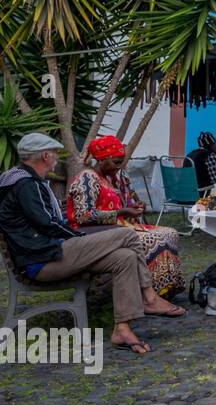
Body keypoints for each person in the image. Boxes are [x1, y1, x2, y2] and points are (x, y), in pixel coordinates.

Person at [0, 133, 184, 355]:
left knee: (124, 258)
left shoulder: (23, 180)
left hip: (49, 252)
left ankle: (122, 328)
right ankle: (149, 296)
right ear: (45, 155)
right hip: (43, 259)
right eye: (55, 153)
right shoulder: (26, 184)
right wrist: (81, 239)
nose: (57, 158)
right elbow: (48, 224)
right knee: (127, 236)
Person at [66, 135, 185, 299]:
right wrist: (122, 213)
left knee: (169, 233)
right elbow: (83, 216)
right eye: (116, 162)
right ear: (102, 159)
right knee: (153, 239)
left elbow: (117, 207)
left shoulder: (109, 178)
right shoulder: (87, 178)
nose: (119, 166)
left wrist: (131, 208)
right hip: (93, 234)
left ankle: (165, 288)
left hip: (115, 228)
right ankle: (147, 295)